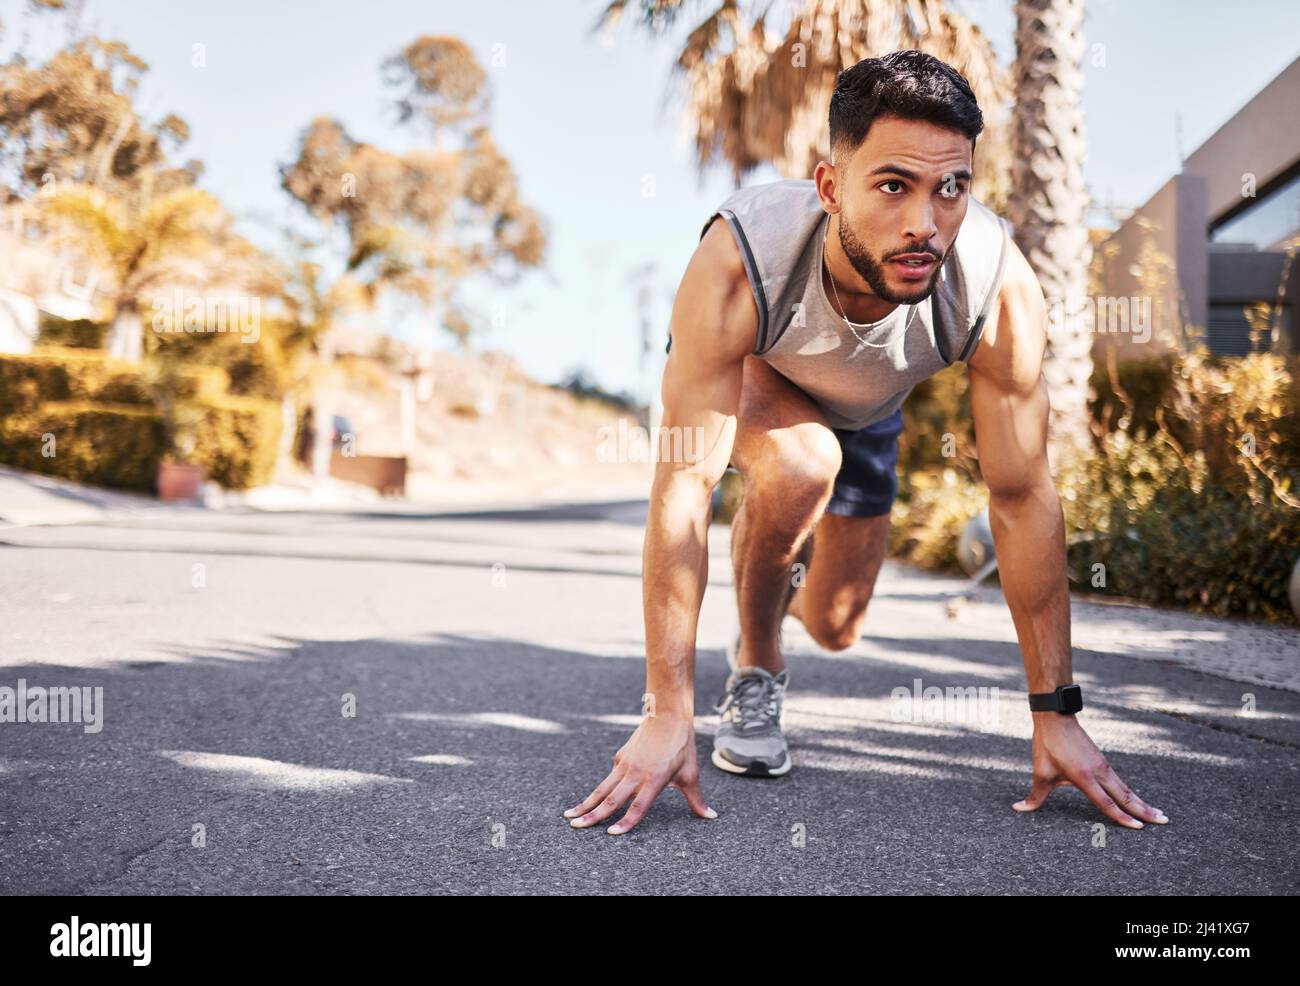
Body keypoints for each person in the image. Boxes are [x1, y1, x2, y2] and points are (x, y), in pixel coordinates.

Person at [566, 50, 1169, 836]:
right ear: (829, 187)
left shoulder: (994, 284)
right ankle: (756, 663)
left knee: (837, 625)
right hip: (763, 379)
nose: (925, 220)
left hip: (873, 412)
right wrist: (666, 707)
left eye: (951, 187)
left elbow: (1021, 496)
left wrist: (1055, 712)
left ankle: (782, 560)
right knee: (799, 465)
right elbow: (684, 485)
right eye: (893, 186)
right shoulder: (742, 261)